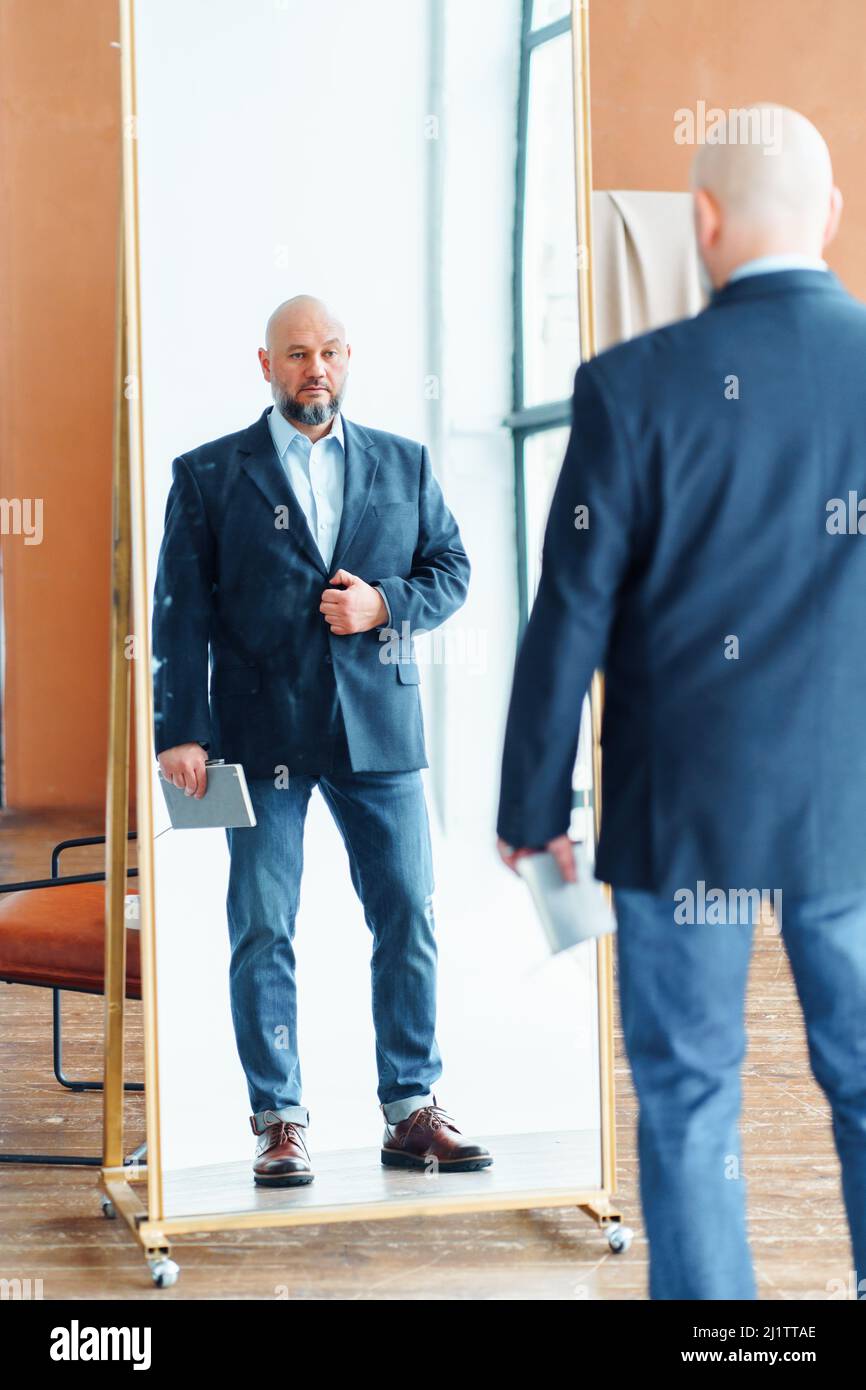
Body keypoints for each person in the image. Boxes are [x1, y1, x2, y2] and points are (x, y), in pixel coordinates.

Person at [496, 105, 866, 1299]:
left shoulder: (628, 388)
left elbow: (571, 612)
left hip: (680, 812)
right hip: (852, 807)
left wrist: (531, 801)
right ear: (830, 214)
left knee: (690, 1100)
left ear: (700, 222)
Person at [153, 295, 492, 1185]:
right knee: (263, 925)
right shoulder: (208, 475)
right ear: (265, 365)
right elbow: (179, 612)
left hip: (377, 730)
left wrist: (386, 603)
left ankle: (410, 1109)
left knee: (408, 913)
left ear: (349, 357)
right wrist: (181, 729)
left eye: (331, 351)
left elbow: (451, 569)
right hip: (259, 734)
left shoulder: (404, 464)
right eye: (298, 353)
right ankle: (279, 1120)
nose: (317, 368)